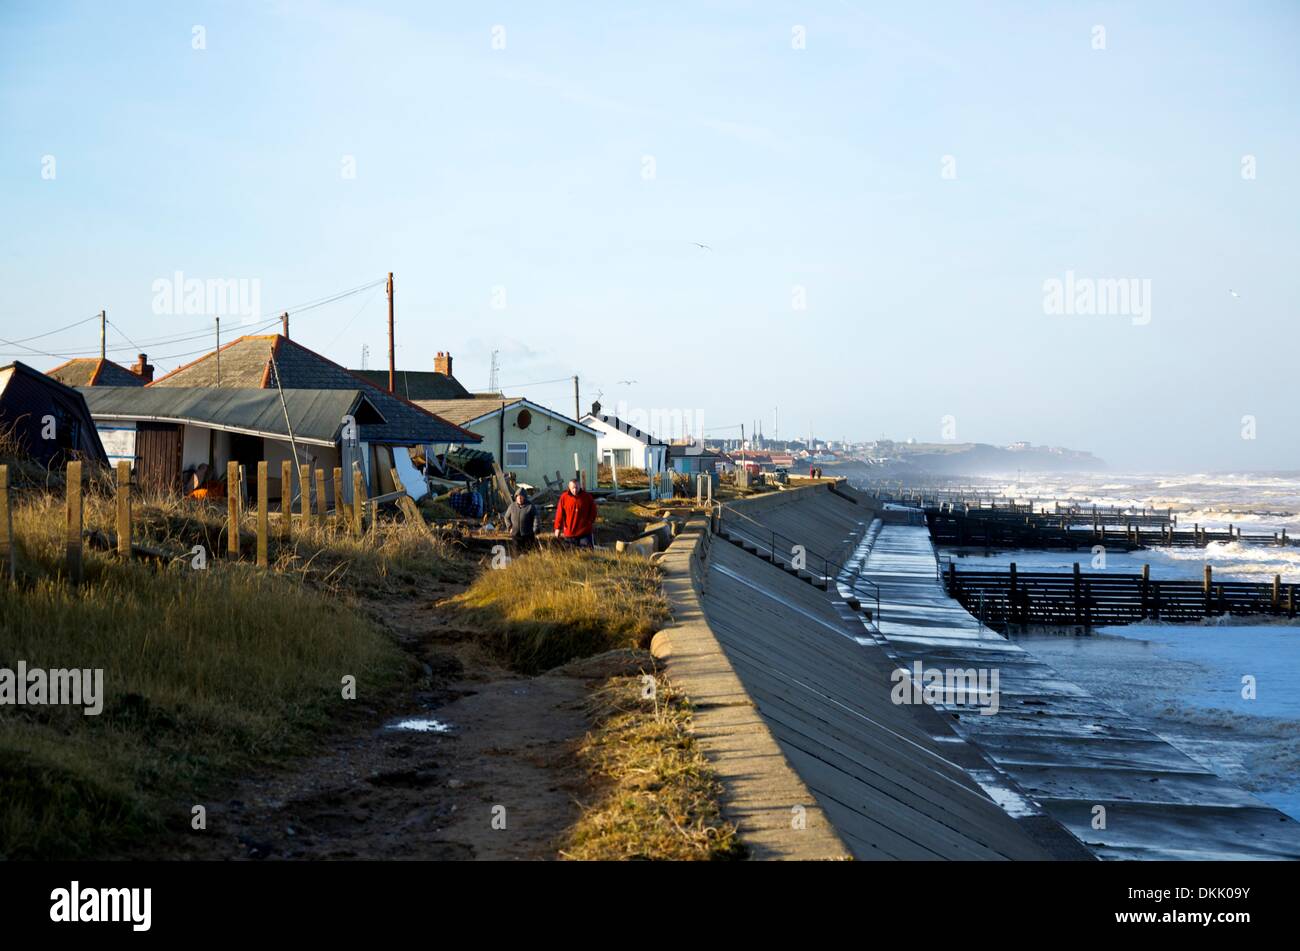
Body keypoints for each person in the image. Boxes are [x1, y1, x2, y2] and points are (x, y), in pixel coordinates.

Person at [554, 478, 597, 548]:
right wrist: (558, 528)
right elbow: (559, 514)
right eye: (573, 488)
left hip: (585, 532)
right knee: (571, 553)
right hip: (570, 532)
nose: (575, 490)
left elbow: (593, 511)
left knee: (587, 552)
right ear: (569, 487)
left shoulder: (587, 497)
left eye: (576, 487)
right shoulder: (564, 497)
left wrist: (589, 522)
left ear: (580, 486)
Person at [505, 488, 539, 553]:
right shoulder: (512, 506)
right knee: (516, 553)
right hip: (515, 535)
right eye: (518, 497)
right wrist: (509, 527)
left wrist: (535, 528)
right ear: (516, 497)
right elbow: (506, 517)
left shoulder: (530, 506)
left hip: (528, 534)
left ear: (524, 497)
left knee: (528, 553)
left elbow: (536, 517)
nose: (519, 499)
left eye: (521, 497)